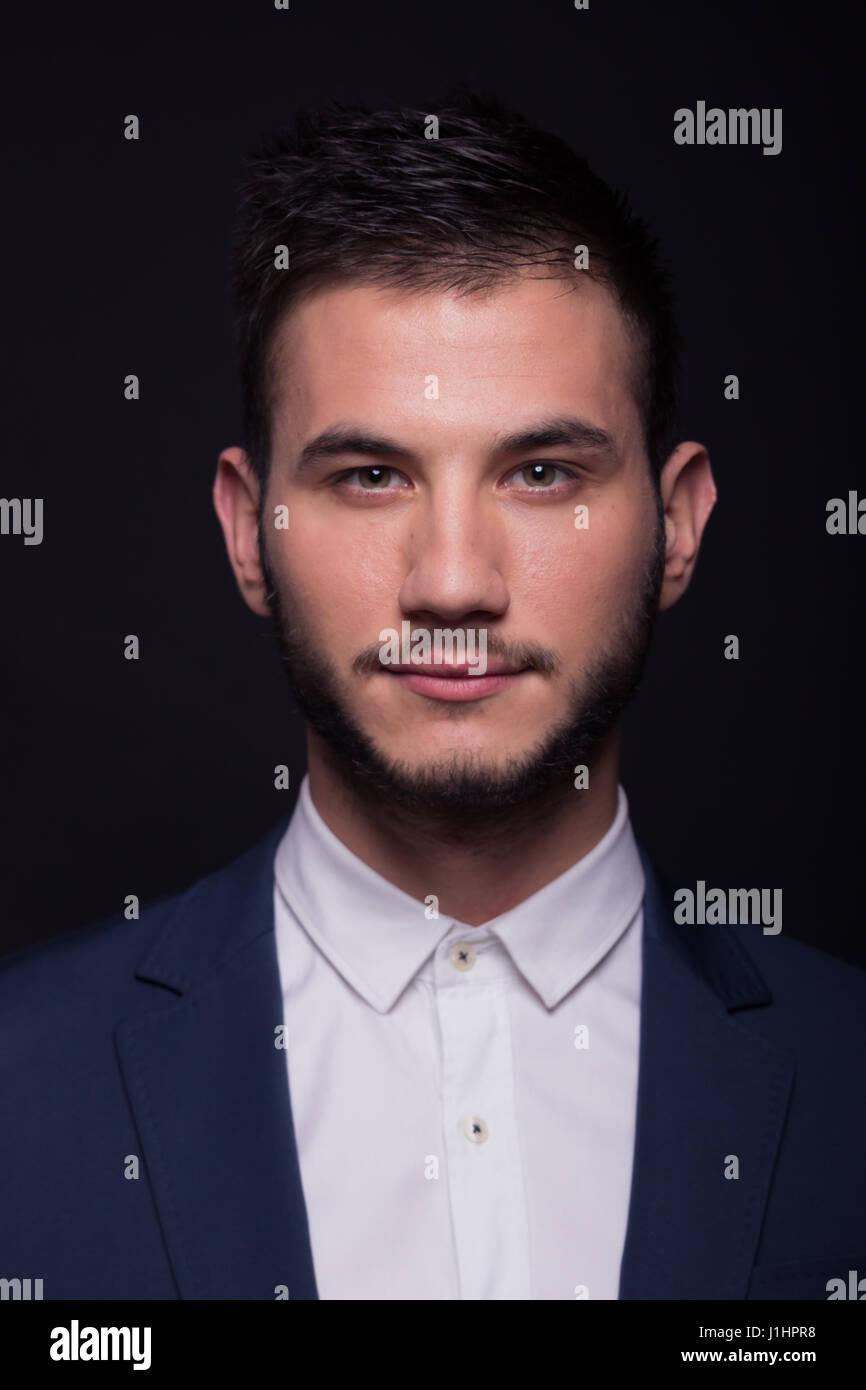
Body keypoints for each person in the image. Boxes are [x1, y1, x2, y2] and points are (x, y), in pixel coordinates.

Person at [1, 95, 864, 1302]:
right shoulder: (17, 1085)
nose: (452, 581)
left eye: (542, 472)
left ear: (677, 524)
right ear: (249, 531)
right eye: (367, 476)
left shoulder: (847, 1080)